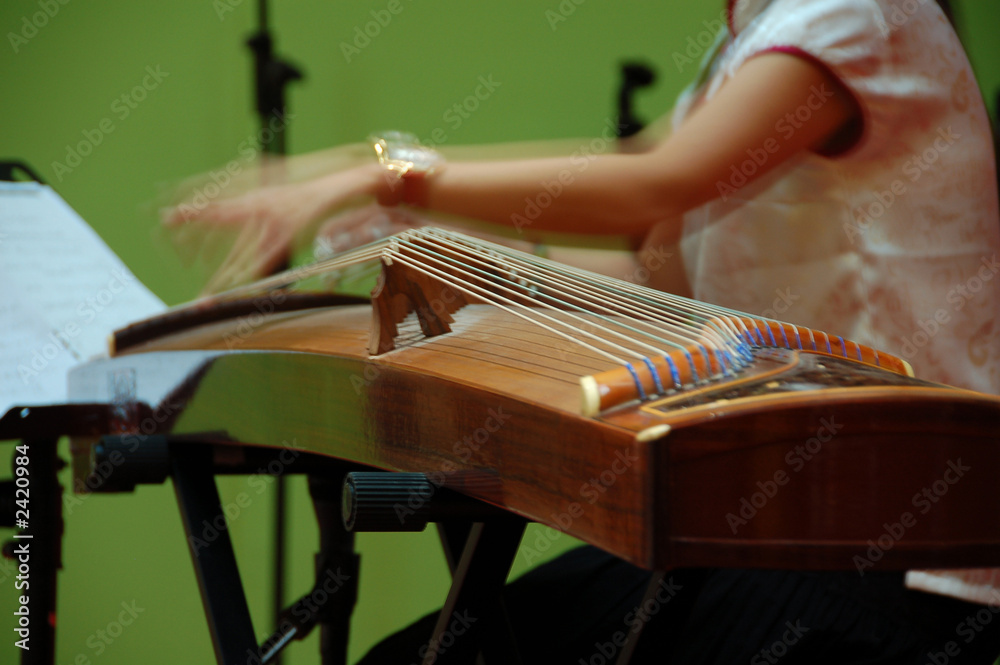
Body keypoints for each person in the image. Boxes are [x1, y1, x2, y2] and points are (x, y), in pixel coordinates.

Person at [165, 0, 1000, 662]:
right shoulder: (756, 45)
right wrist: (454, 258)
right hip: (772, 518)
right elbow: (651, 275)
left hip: (885, 553)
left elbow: (653, 182)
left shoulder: (855, 13)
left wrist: (381, 173)